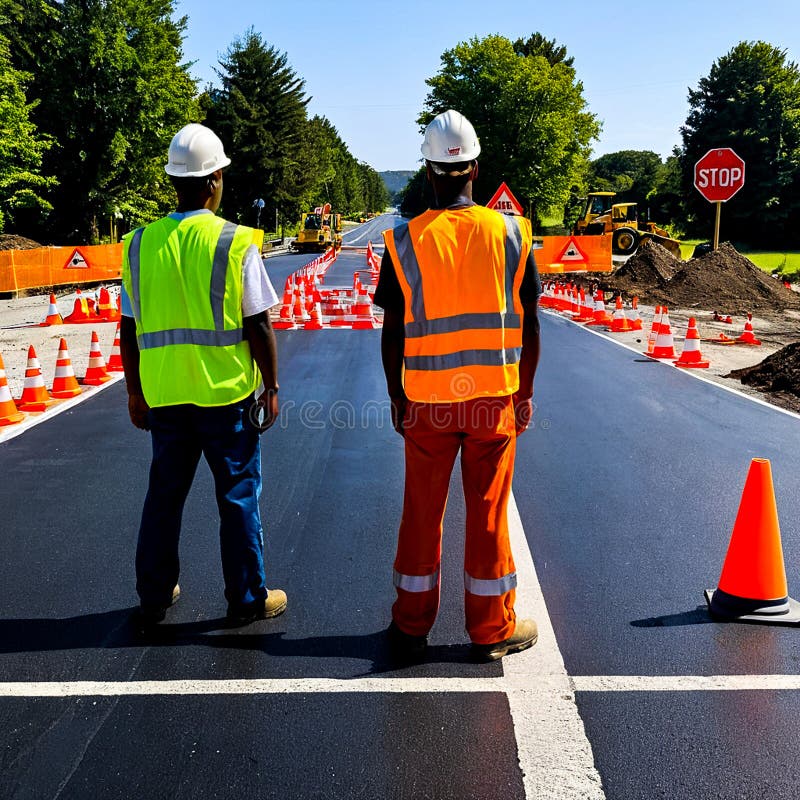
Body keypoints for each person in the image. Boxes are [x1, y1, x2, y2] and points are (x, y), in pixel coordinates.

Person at [376, 109, 541, 662]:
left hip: (426, 403)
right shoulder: (512, 232)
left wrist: (397, 398)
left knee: (421, 511)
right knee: (488, 512)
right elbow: (532, 321)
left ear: (428, 171)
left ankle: (410, 623)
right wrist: (524, 394)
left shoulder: (404, 241)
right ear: (475, 168)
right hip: (494, 399)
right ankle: (492, 628)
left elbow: (393, 331)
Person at [120, 123, 287, 627]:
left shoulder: (139, 245)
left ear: (175, 181)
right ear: (215, 179)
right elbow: (258, 322)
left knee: (164, 496)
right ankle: (246, 598)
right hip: (226, 397)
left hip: (166, 396)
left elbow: (128, 328)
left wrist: (134, 393)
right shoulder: (235, 241)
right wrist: (272, 386)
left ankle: (154, 594)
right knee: (237, 497)